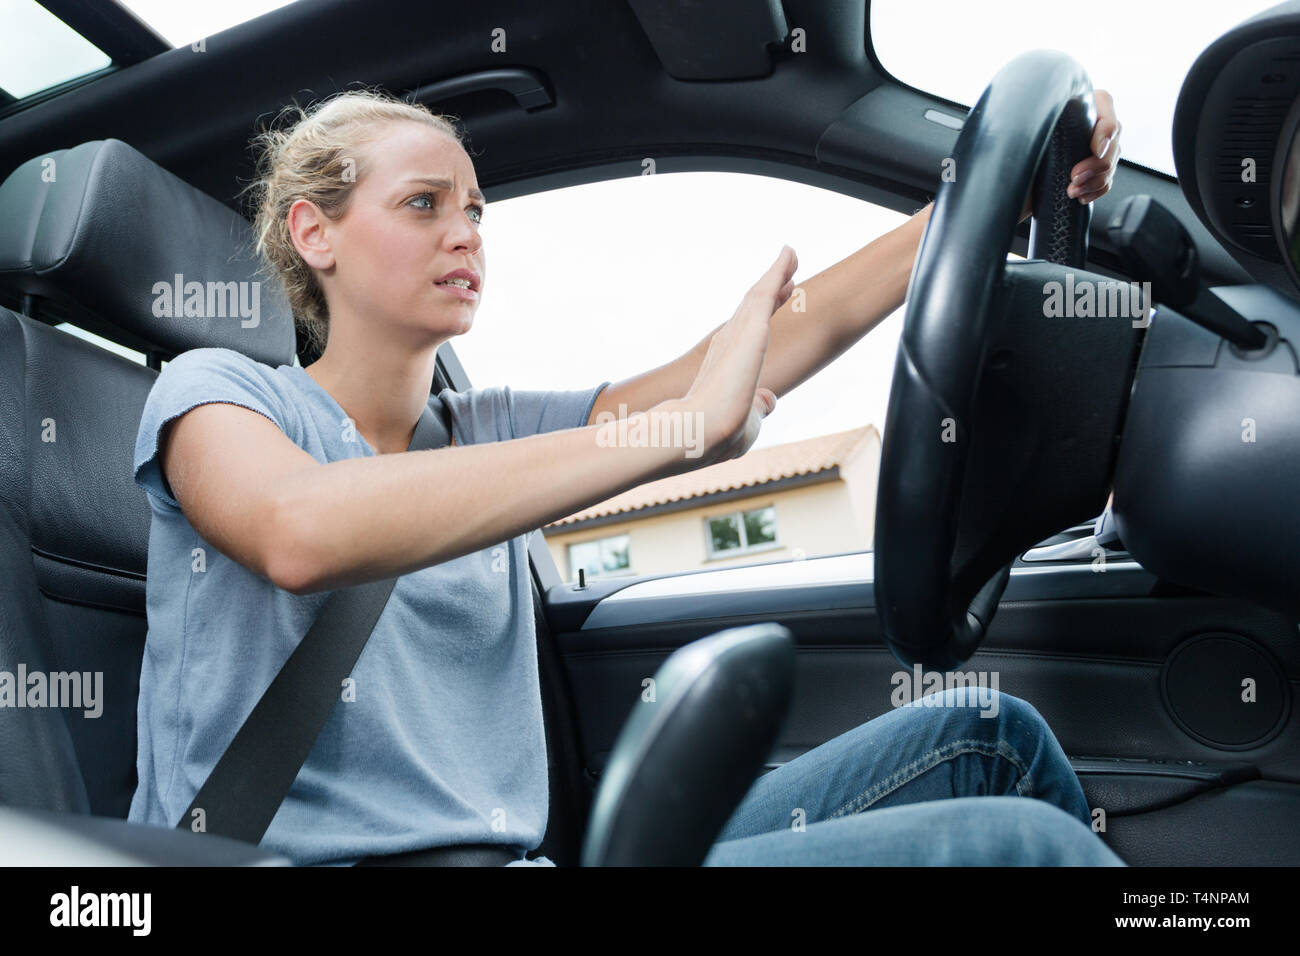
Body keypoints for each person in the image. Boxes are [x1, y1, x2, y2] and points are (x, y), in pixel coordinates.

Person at [128, 88, 1125, 867]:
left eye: (474, 208)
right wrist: (680, 431)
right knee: (1015, 852)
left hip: (527, 857)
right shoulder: (215, 392)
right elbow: (299, 530)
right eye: (423, 204)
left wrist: (988, 196)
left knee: (992, 734)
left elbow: (764, 348)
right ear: (316, 234)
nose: (467, 231)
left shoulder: (482, 427)